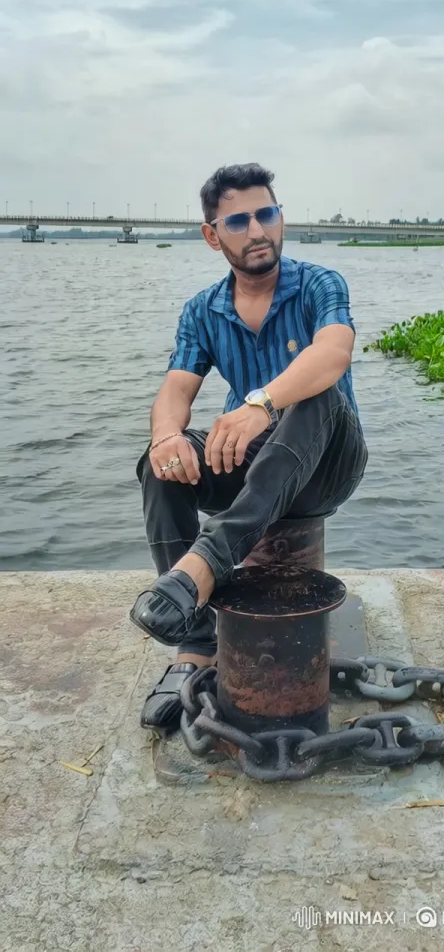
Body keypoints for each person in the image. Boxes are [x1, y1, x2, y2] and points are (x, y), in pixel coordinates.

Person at [131, 163, 368, 733]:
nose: (257, 229)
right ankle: (194, 641)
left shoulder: (319, 284)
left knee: (316, 388)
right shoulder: (203, 310)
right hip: (256, 463)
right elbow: (175, 390)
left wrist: (260, 401)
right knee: (162, 462)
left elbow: (333, 354)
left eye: (267, 214)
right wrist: (166, 438)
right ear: (214, 235)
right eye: (239, 220)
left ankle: (206, 562)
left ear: (280, 219)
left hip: (327, 461)